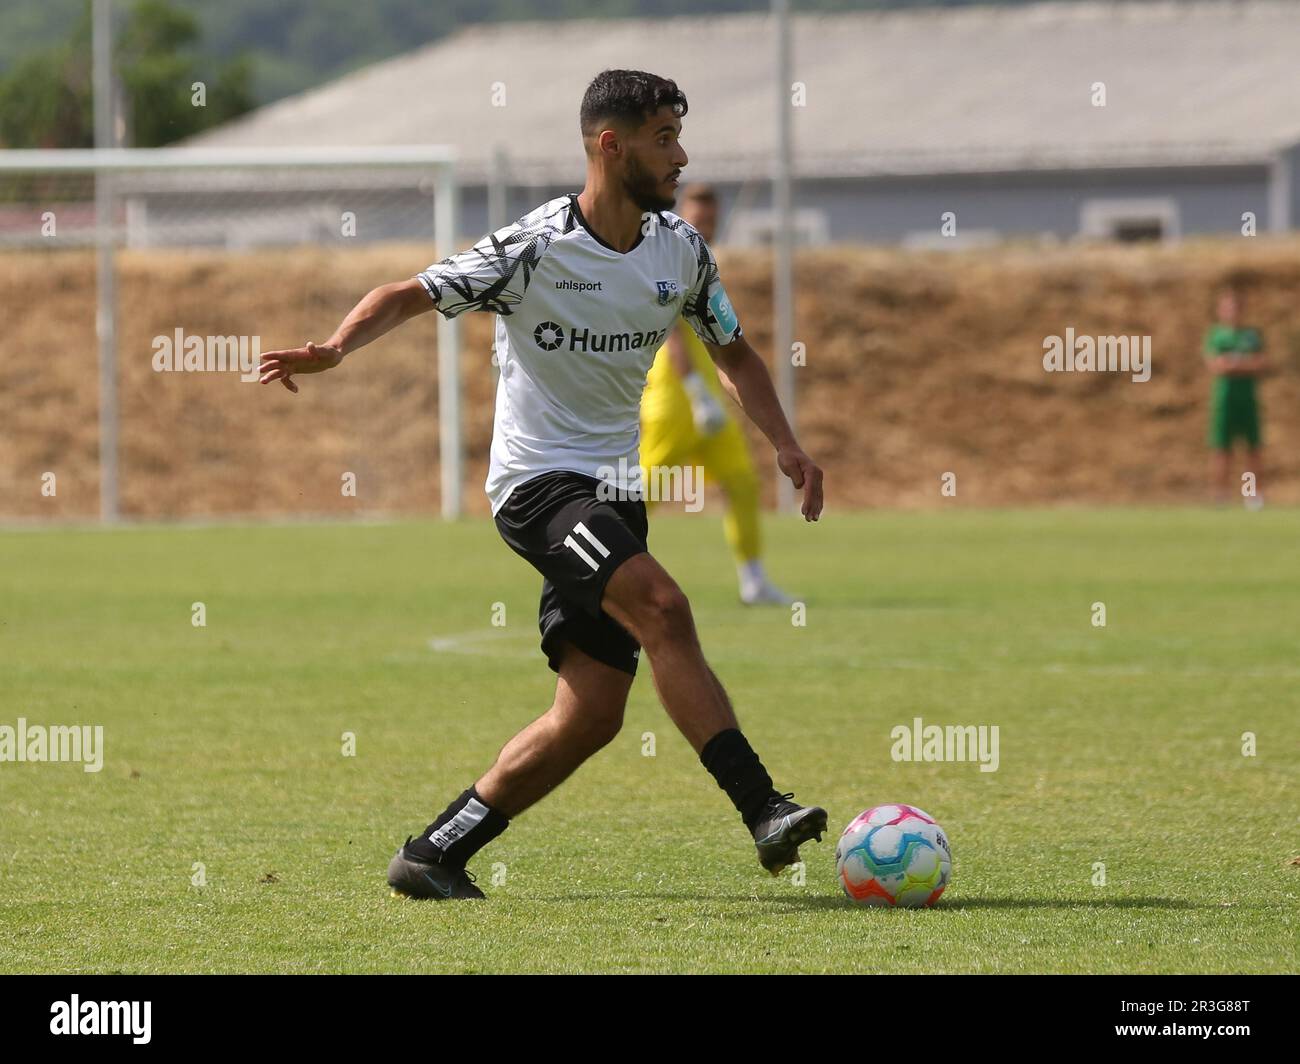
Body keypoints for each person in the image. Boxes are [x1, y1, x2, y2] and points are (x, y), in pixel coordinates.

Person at [258, 69, 827, 901]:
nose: (681, 156)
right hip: (537, 486)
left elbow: (731, 349)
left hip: (616, 491)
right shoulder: (535, 247)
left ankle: (433, 853)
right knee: (664, 606)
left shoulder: (682, 251)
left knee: (593, 713)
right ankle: (762, 807)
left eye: (678, 135)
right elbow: (406, 293)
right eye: (664, 138)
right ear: (611, 143)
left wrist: (785, 443)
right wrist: (337, 346)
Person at [640, 183, 796, 604]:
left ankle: (754, 580)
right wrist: (693, 392)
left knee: (741, 482)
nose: (704, 225)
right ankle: (607, 575)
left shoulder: (703, 260)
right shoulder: (666, 254)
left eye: (710, 218)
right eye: (697, 216)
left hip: (709, 396)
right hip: (674, 397)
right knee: (644, 493)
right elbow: (671, 329)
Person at [1204, 286, 1270, 507]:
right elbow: (1216, 365)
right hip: (1225, 400)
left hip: (1248, 400)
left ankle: (1250, 494)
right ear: (1220, 310)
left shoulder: (1250, 336)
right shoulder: (1216, 335)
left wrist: (1234, 364)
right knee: (1222, 449)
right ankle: (1221, 495)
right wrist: (1242, 364)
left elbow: (1260, 364)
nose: (1232, 312)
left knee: (1251, 449)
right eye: (1227, 308)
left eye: (1235, 307)